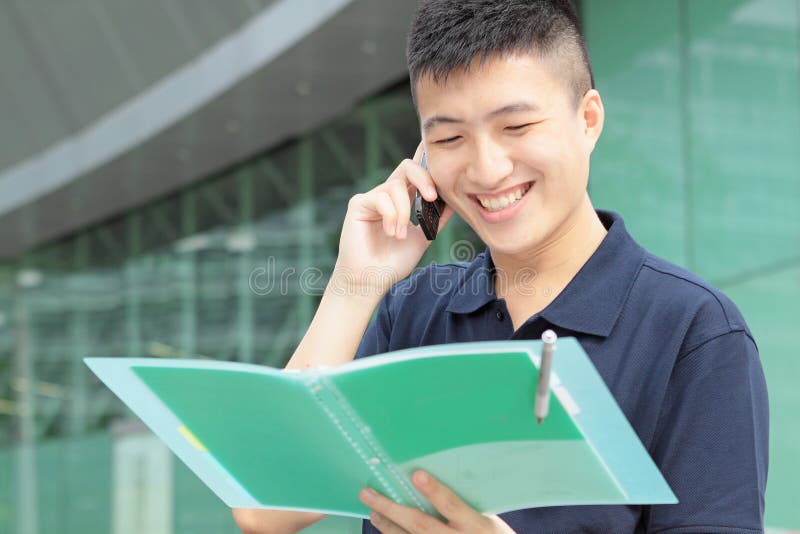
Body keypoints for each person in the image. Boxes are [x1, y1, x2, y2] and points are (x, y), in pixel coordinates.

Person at [233, 0, 769, 533]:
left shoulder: (694, 332)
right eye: (448, 139)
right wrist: (357, 283)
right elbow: (262, 507)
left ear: (587, 120)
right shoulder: (412, 313)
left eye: (516, 126)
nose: (487, 169)